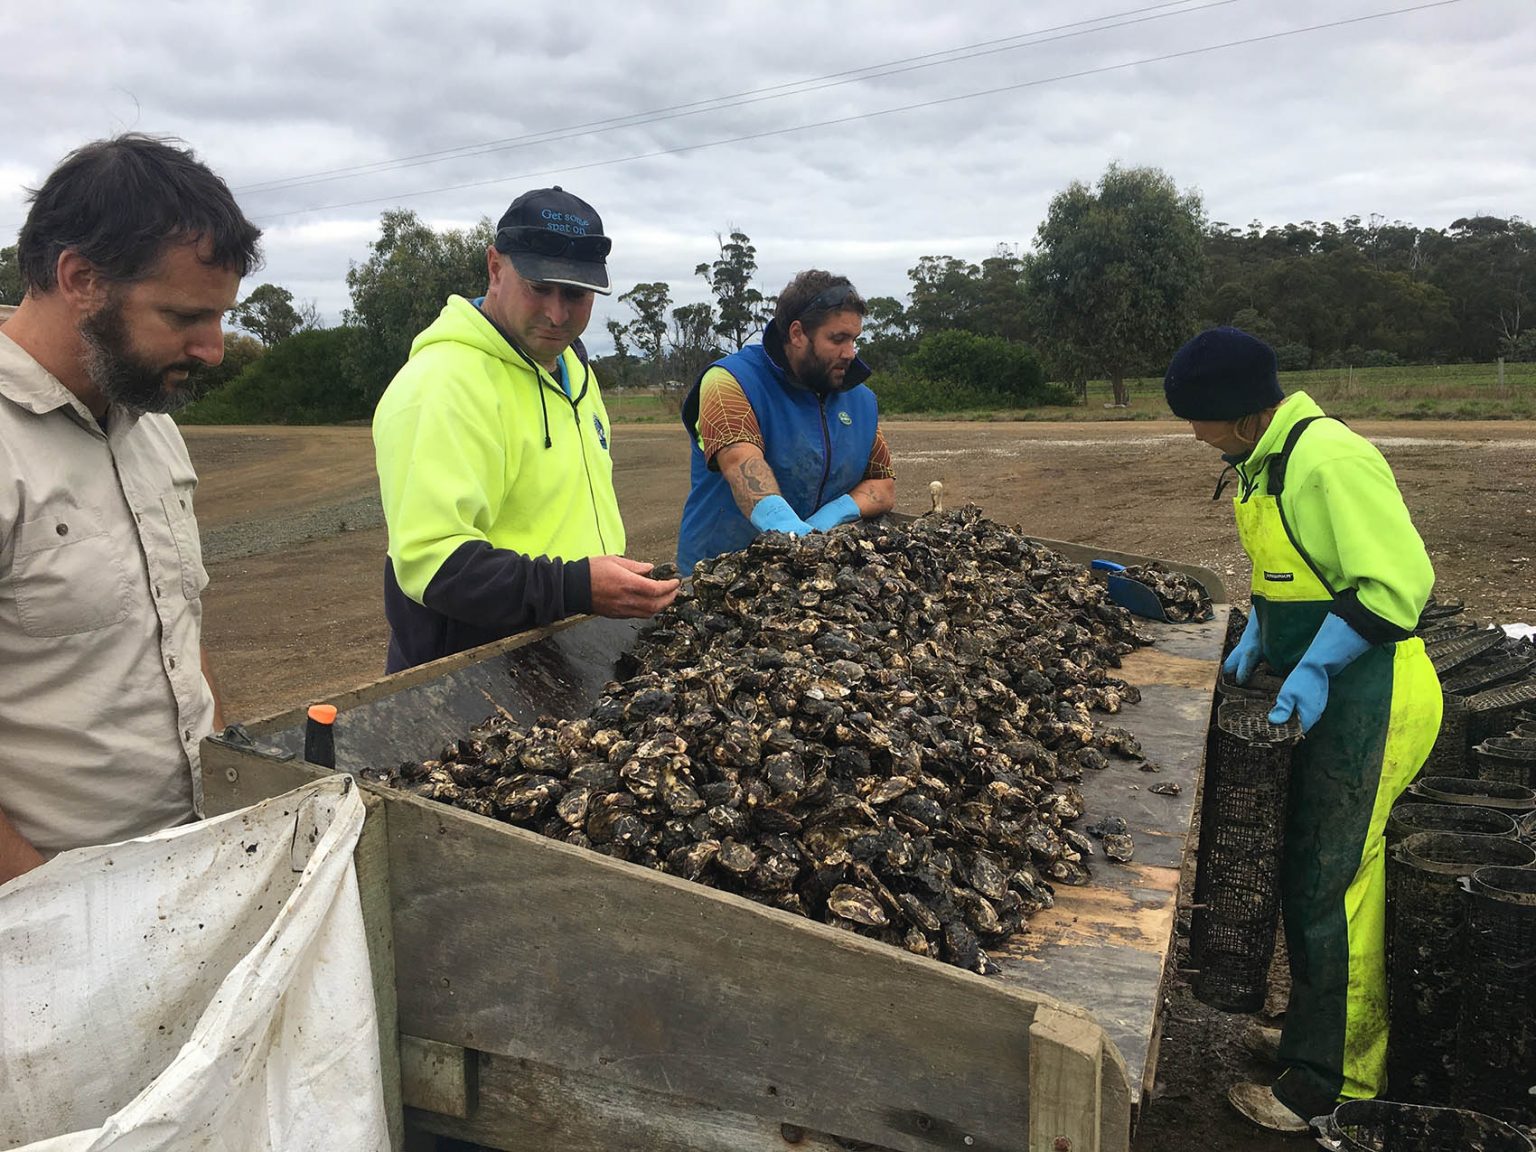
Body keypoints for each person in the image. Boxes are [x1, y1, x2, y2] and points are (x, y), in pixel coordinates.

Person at [1164, 327, 1442, 1132]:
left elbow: (1398, 586)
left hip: (1376, 700)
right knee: (1304, 872)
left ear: (1239, 411)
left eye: (1199, 419)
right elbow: (1294, 569)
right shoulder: (1261, 464)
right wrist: (1260, 629)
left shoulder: (1330, 459)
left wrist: (1316, 664)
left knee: (1337, 885)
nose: (1194, 434)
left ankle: (1335, 1081)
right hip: (1330, 697)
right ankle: (1309, 1031)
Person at [0, 134, 260, 884]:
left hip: (193, 866)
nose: (213, 349)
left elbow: (176, 626)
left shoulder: (153, 428)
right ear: (80, 278)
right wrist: (46, 909)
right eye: (185, 316)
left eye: (220, 316)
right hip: (49, 909)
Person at [374, 186, 678, 673]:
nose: (558, 315)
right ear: (495, 267)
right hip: (473, 680)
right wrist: (576, 587)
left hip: (568, 652)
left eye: (576, 294)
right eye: (539, 287)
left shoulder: (574, 368)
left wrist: (592, 585)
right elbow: (431, 564)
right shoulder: (441, 384)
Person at [675, 270, 895, 573]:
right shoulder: (730, 381)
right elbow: (740, 462)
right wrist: (791, 530)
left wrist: (828, 518)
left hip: (809, 571)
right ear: (796, 333)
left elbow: (882, 484)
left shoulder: (860, 400)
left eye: (854, 339)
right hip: (722, 574)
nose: (850, 353)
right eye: (838, 339)